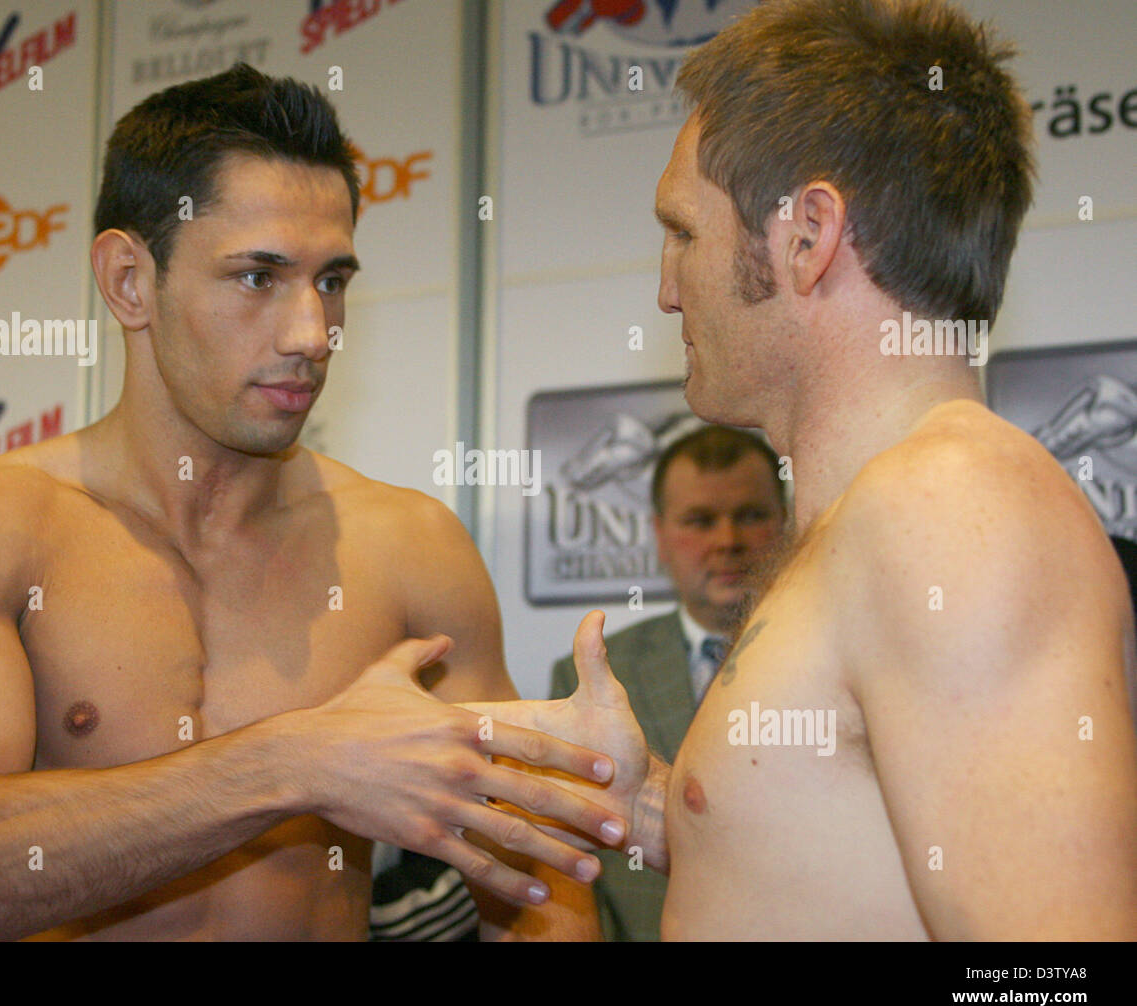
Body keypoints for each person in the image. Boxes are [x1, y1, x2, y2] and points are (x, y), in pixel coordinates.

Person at [0, 65, 623, 942]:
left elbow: (534, 884)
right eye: (259, 278)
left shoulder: (410, 549)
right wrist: (292, 763)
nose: (311, 333)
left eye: (331, 280)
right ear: (128, 280)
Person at [467, 0, 1137, 940]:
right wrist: (650, 799)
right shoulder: (872, 519)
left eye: (685, 234)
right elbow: (828, 858)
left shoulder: (950, 512)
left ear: (808, 235)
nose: (666, 289)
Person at [549, 425, 786, 940]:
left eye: (750, 515)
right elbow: (571, 866)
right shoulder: (592, 674)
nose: (728, 541)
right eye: (699, 521)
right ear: (658, 535)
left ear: (787, 522)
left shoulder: (845, 662)